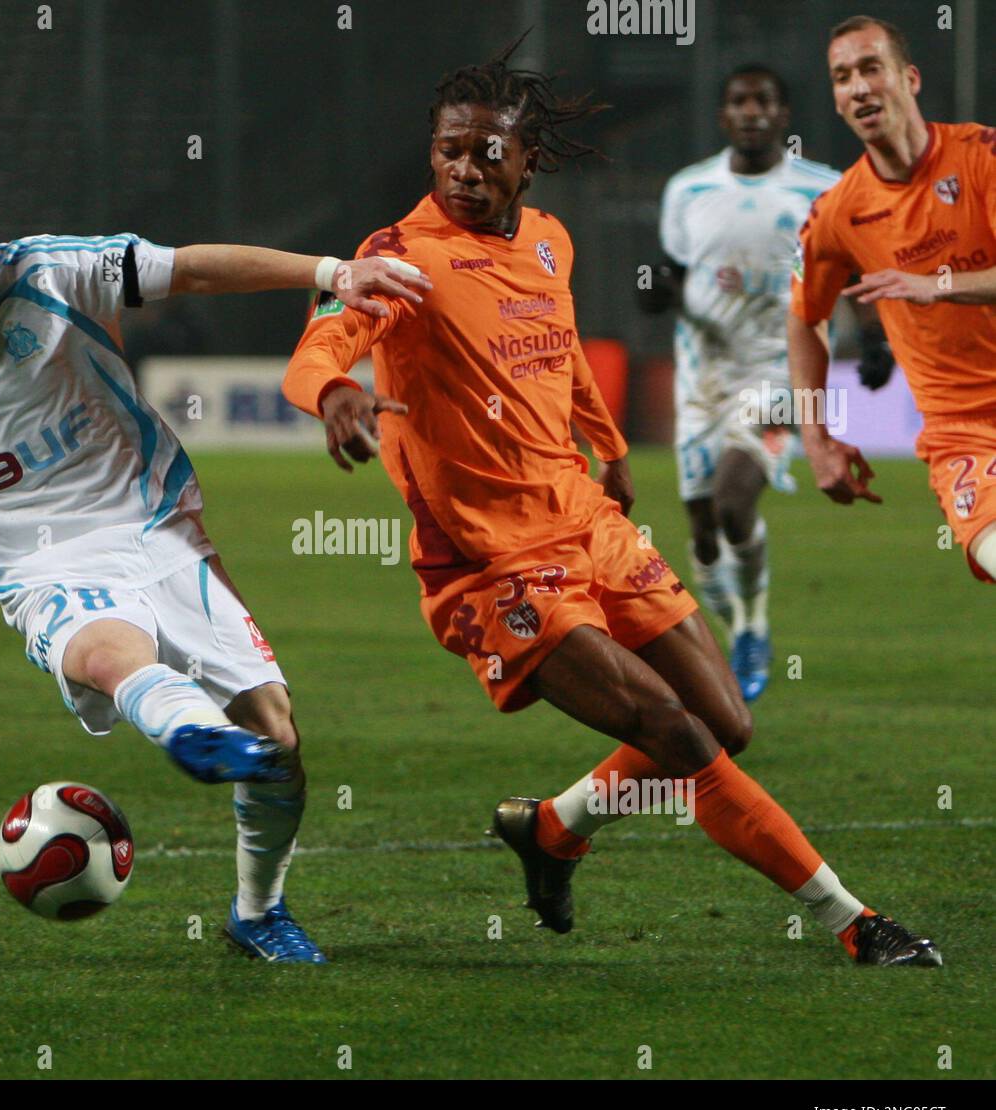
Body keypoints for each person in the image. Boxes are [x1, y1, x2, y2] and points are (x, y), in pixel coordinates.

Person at [283, 41, 940, 966]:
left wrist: (616, 450)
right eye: (448, 152)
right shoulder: (398, 257)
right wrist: (338, 394)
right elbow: (321, 344)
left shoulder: (550, 238)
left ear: (527, 159)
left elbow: (554, 353)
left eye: (486, 153)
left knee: (726, 724)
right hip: (493, 564)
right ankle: (853, 923)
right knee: (674, 733)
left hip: (586, 518)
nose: (465, 172)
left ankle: (553, 829)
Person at [0, 141, 430, 964]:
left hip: (156, 527)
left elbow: (194, 270)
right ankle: (185, 731)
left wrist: (330, 273)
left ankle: (258, 911)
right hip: (37, 568)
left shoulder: (55, 272)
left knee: (277, 736)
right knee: (109, 653)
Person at [641, 64, 849, 700]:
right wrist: (654, 291)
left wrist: (870, 336)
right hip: (704, 373)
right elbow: (672, 273)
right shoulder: (688, 189)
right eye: (739, 101)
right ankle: (733, 622)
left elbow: (853, 263)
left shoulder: (825, 189)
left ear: (784, 116)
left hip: (778, 368)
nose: (752, 111)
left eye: (764, 101)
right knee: (702, 525)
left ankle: (755, 626)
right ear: (723, 115)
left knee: (735, 501)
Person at [789, 14, 996, 585]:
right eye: (841, 77)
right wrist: (817, 440)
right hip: (963, 434)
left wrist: (938, 285)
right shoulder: (837, 213)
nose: (857, 87)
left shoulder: (982, 156)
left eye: (870, 68)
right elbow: (806, 319)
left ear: (909, 78)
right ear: (835, 100)